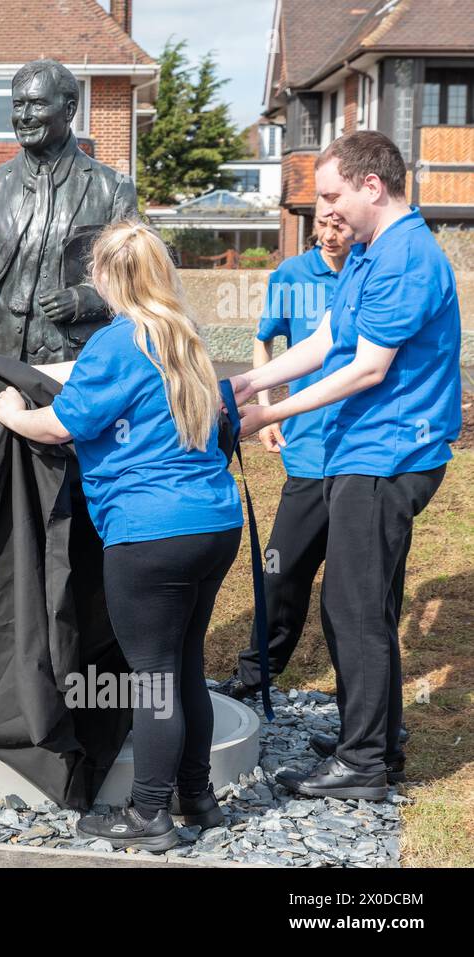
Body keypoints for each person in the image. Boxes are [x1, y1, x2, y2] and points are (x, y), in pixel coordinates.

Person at [0, 221, 242, 852]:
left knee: (153, 676)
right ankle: (199, 797)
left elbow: (61, 425)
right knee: (185, 665)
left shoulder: (115, 343)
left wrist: (13, 415)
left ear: (105, 278)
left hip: (148, 532)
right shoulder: (184, 337)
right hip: (214, 524)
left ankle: (150, 815)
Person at [231, 131, 461, 801]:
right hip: (365, 451)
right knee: (370, 605)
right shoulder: (369, 252)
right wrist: (250, 385)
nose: (325, 208)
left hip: (389, 454)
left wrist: (270, 416)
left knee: (352, 607)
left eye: (332, 194)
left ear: (372, 186)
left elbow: (367, 366)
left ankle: (362, 764)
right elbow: (329, 338)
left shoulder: (408, 256)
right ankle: (378, 740)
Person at [216, 199, 351, 700]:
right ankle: (256, 675)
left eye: (338, 224)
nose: (329, 234)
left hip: (363, 455)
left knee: (352, 591)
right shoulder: (293, 274)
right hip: (310, 449)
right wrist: (268, 406)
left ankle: (357, 705)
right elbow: (264, 340)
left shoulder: (369, 273)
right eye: (321, 224)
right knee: (281, 568)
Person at [0, 57, 138, 365]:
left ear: (69, 109)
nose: (24, 116)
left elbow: (134, 280)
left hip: (78, 365)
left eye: (37, 104)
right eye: (17, 105)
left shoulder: (112, 188)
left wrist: (84, 299)